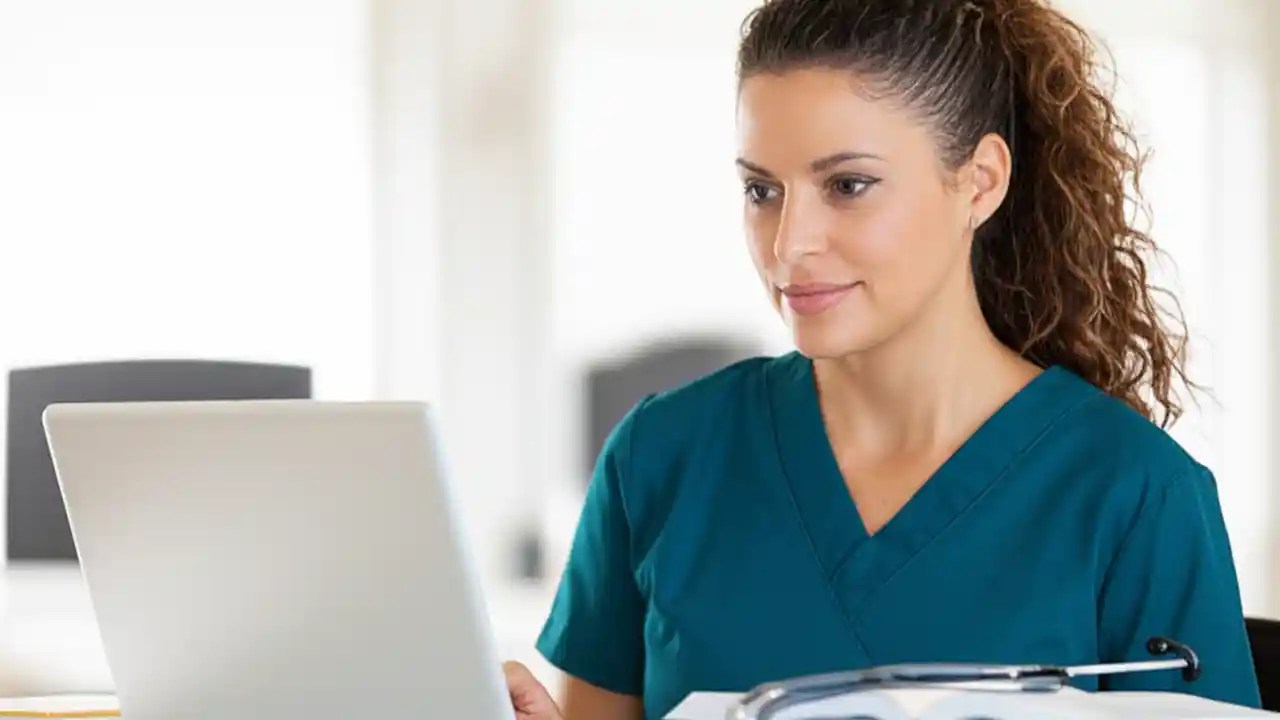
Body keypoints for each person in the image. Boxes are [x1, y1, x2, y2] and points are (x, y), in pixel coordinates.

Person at [505, 0, 1263, 718]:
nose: (788, 244)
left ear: (980, 183)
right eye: (762, 190)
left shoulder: (1135, 495)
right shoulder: (659, 457)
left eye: (848, 186)